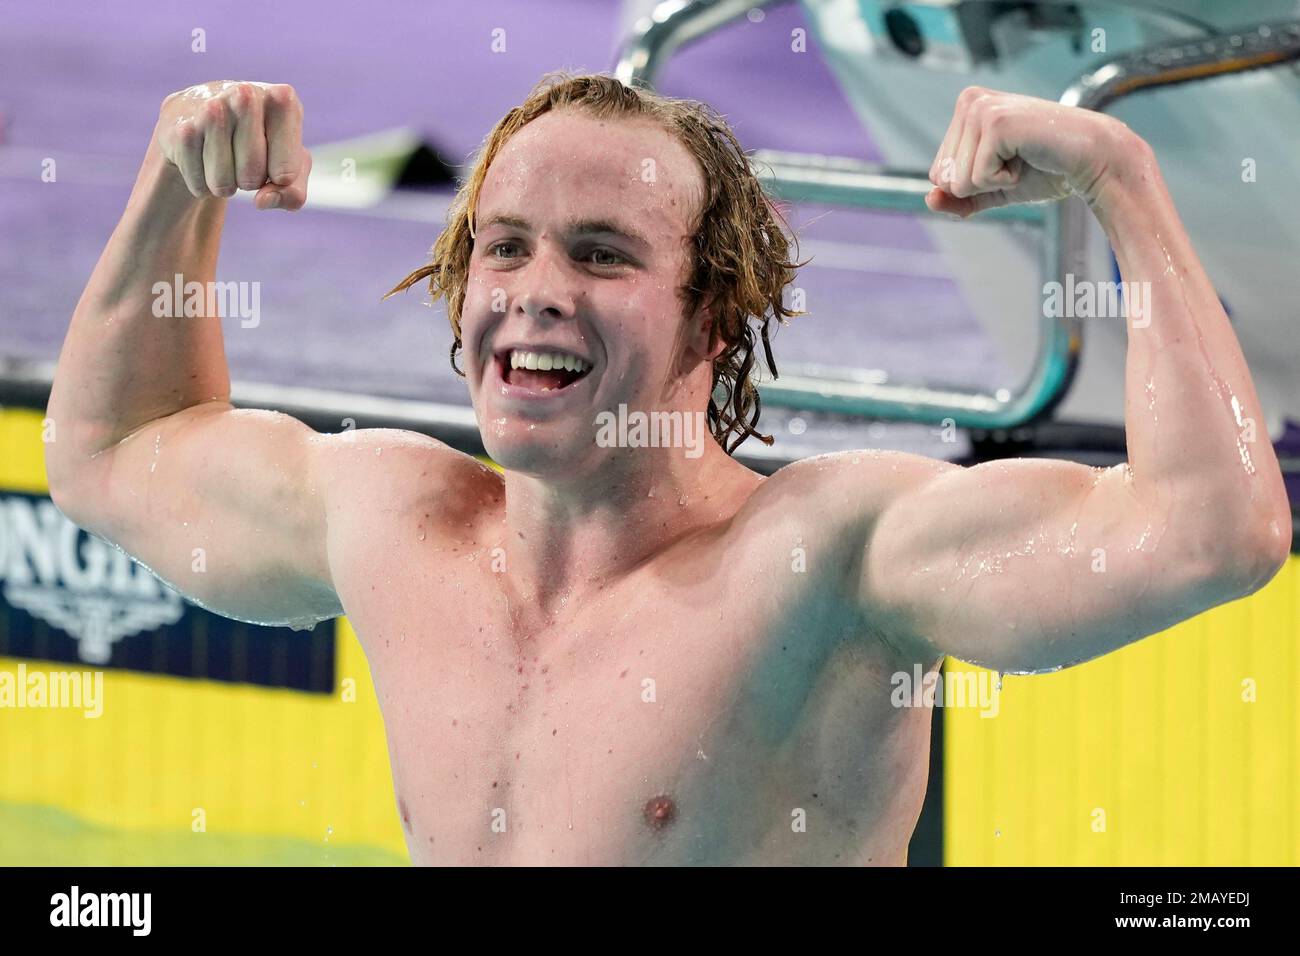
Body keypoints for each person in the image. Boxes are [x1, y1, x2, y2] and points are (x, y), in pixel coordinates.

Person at [45, 72, 1290, 865]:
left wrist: (1120, 184)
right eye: (505, 246)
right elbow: (113, 452)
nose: (535, 294)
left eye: (599, 255)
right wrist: (174, 184)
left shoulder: (829, 557)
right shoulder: (393, 518)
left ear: (709, 321)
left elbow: (1210, 532)